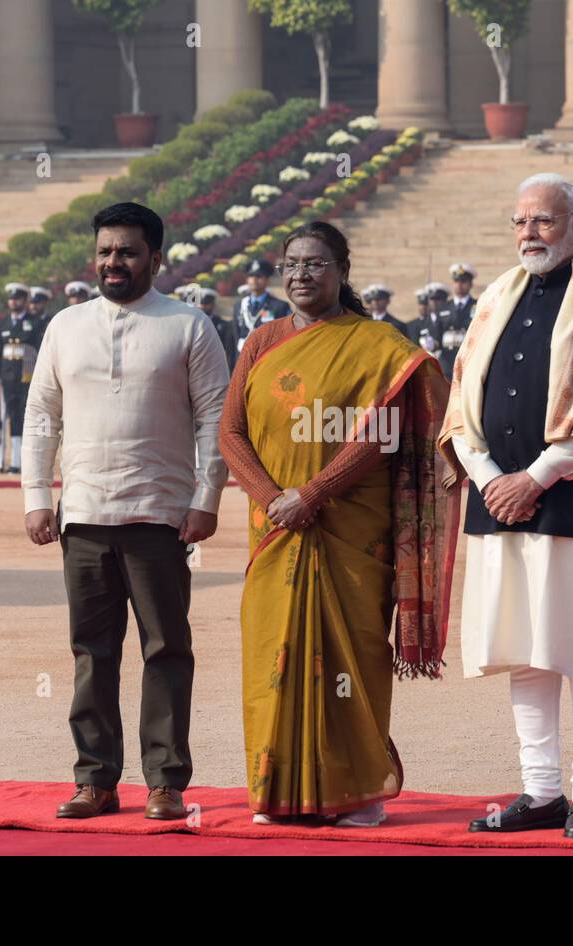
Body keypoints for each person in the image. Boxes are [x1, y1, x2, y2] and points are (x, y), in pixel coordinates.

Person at [438, 173, 573, 838]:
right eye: (519, 222)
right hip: (498, 501)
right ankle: (540, 793)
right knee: (524, 649)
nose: (527, 234)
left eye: (543, 221)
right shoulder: (496, 297)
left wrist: (533, 477)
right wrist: (484, 477)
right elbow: (461, 403)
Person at [219, 220, 456, 827]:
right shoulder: (261, 341)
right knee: (274, 653)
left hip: (352, 530)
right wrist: (273, 496)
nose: (301, 274)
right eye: (292, 263)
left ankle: (358, 792)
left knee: (352, 659)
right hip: (274, 529)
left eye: (316, 263)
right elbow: (231, 430)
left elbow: (384, 433)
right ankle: (277, 792)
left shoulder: (376, 343)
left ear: (342, 271)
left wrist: (315, 492)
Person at [23, 202, 229, 821]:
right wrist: (38, 498)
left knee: (165, 649)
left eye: (128, 252)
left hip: (158, 519)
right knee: (92, 651)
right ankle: (96, 780)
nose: (115, 262)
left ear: (155, 258)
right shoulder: (65, 326)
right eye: (106, 251)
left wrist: (205, 500)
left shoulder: (188, 325)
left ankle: (165, 781)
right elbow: (41, 418)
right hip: (83, 515)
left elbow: (215, 420)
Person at [0, 283, 42, 474]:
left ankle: (30, 462)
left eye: (18, 298)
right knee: (13, 418)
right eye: (11, 298)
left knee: (28, 418)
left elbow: (40, 352)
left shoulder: (35, 323)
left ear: (25, 301)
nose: (13, 302)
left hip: (29, 378)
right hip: (8, 377)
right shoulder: (4, 324)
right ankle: (15, 461)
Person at [233, 259, 291, 352]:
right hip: (243, 357)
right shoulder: (239, 305)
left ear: (267, 280)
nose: (254, 280)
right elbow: (235, 336)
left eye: (259, 276)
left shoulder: (280, 306)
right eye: (251, 276)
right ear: (247, 280)